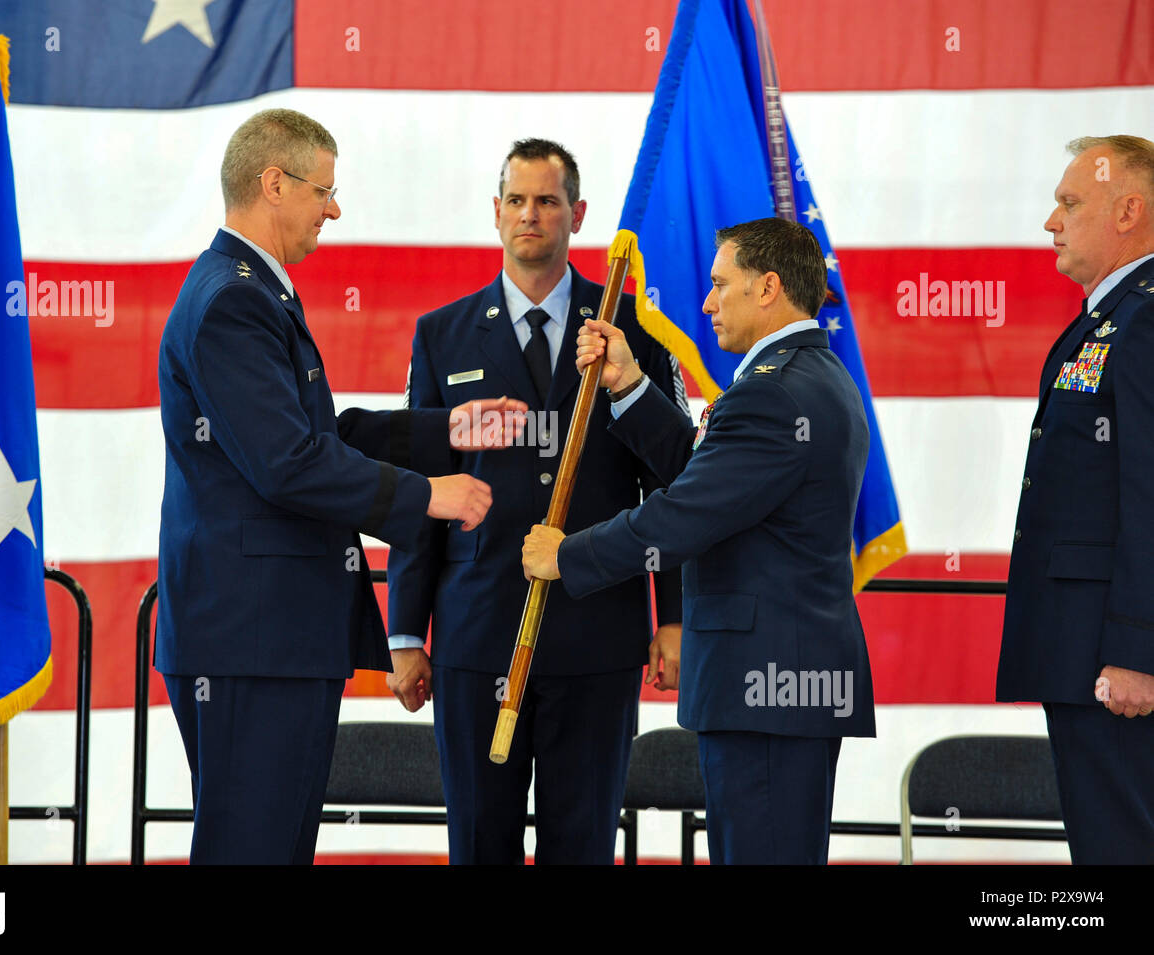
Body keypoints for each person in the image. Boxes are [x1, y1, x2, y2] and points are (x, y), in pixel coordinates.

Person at [155, 108, 524, 864]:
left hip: (268, 634)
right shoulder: (234, 300)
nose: (334, 208)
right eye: (324, 189)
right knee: (251, 849)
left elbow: (320, 434)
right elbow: (288, 462)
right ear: (273, 184)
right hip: (254, 639)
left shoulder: (253, 289)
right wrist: (430, 496)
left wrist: (446, 430)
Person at [522, 217, 875, 864]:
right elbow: (707, 472)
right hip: (782, 681)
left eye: (719, 284)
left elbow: (681, 513)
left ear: (768, 287)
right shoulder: (806, 375)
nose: (706, 302)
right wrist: (629, 383)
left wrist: (566, 555)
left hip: (766, 684)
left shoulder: (772, 392)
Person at [385, 138, 687, 864]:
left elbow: (674, 485)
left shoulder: (635, 328)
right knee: (479, 844)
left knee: (580, 845)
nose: (531, 215)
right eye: (516, 201)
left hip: (599, 635)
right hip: (474, 634)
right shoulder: (441, 334)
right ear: (495, 213)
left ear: (576, 214)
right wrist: (402, 634)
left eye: (548, 201)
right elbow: (420, 494)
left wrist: (673, 616)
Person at [996, 135, 1154, 864]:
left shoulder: (1144, 321)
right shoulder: (1109, 317)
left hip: (1113, 660)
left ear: (1129, 211)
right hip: (1084, 649)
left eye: (1069, 203)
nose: (1050, 222)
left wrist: (1137, 651)